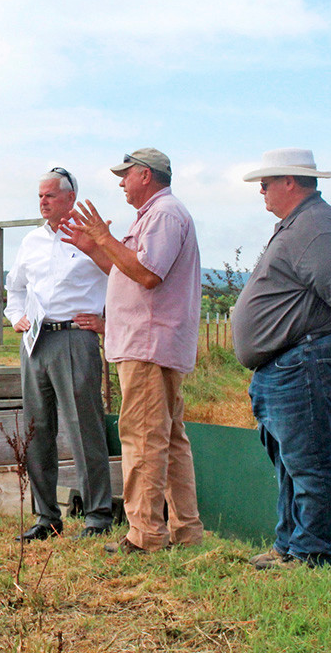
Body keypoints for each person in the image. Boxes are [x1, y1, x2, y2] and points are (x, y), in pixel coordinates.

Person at [62, 149, 204, 554]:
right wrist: (95, 250)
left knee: (142, 439)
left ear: (145, 175)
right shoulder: (158, 215)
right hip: (153, 344)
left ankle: (144, 536)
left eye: (125, 175)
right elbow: (129, 272)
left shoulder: (163, 215)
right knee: (170, 439)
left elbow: (147, 274)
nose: (121, 182)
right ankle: (185, 530)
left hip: (148, 344)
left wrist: (105, 238)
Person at [230, 148, 331, 570]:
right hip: (287, 360)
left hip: (305, 357)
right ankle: (290, 544)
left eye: (267, 182)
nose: (262, 190)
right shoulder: (299, 224)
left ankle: (310, 553)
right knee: (290, 459)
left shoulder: (317, 227)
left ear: (292, 182)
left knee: (308, 459)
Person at [5, 168, 114, 541]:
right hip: (36, 340)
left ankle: (98, 515)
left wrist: (106, 320)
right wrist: (16, 317)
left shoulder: (90, 239)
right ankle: (46, 517)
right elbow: (15, 289)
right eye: (40, 196)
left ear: (70, 198)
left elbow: (122, 279)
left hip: (75, 337)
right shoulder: (31, 242)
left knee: (85, 428)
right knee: (38, 431)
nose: (43, 202)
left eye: (50, 195)